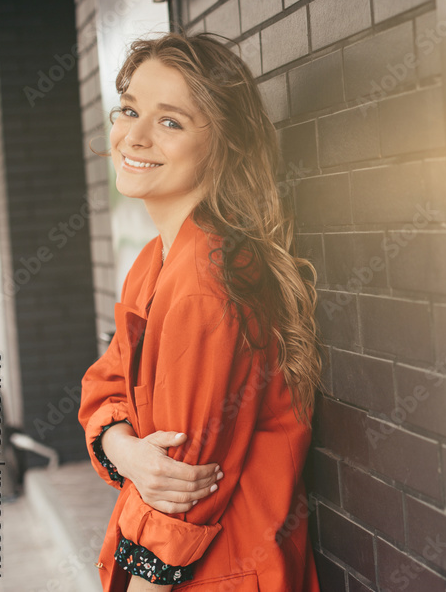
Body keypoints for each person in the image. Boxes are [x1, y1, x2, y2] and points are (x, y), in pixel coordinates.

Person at [78, 32, 323, 591]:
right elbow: (103, 386)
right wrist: (126, 451)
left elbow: (179, 499)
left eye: (170, 122)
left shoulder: (203, 281)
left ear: (222, 147)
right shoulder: (156, 259)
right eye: (131, 110)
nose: (133, 136)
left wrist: (143, 461)